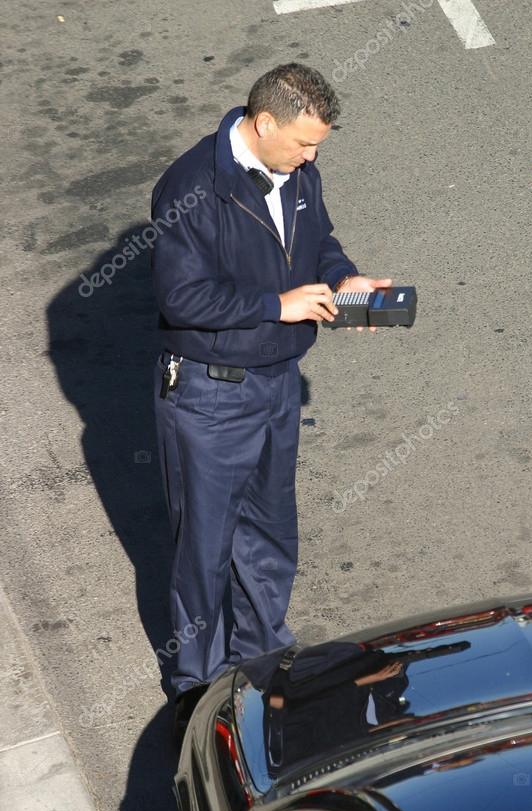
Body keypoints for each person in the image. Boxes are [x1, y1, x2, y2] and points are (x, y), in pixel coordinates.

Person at [150, 63, 392, 737]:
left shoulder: (299, 174)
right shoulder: (193, 188)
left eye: (317, 147)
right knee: (203, 544)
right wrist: (275, 305)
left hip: (276, 384)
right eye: (303, 144)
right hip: (209, 393)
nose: (312, 158)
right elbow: (182, 298)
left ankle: (263, 662)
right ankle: (196, 686)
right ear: (263, 124)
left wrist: (345, 281)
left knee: (269, 533)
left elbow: (322, 242)